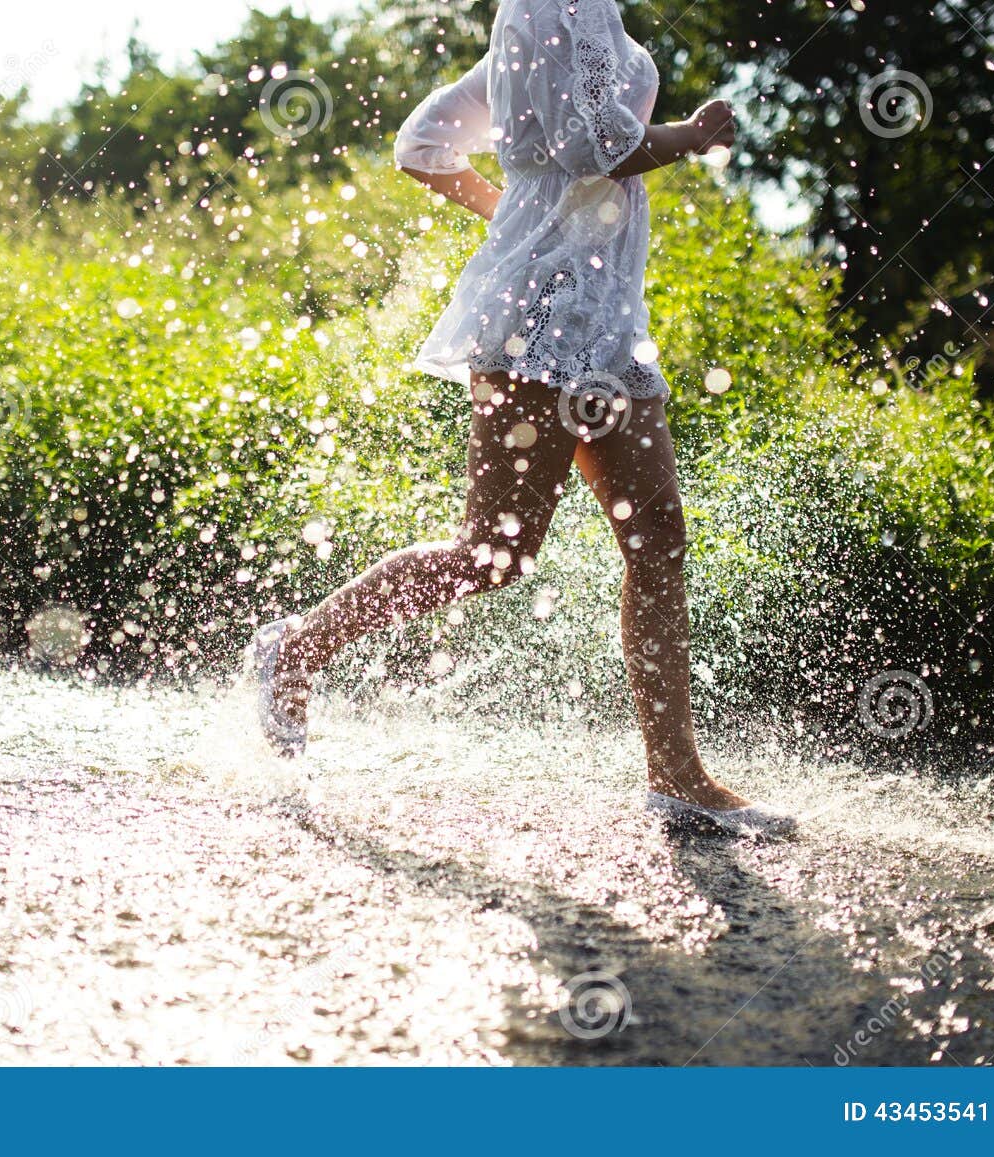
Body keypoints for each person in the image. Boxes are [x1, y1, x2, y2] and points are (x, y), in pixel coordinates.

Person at [247, 0, 796, 837]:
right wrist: (687, 136)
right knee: (496, 551)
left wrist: (520, 214)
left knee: (658, 531)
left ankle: (677, 776)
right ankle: (298, 646)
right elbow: (589, 149)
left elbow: (426, 139)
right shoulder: (545, 7)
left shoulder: (590, 19)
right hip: (534, 319)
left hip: (607, 317)